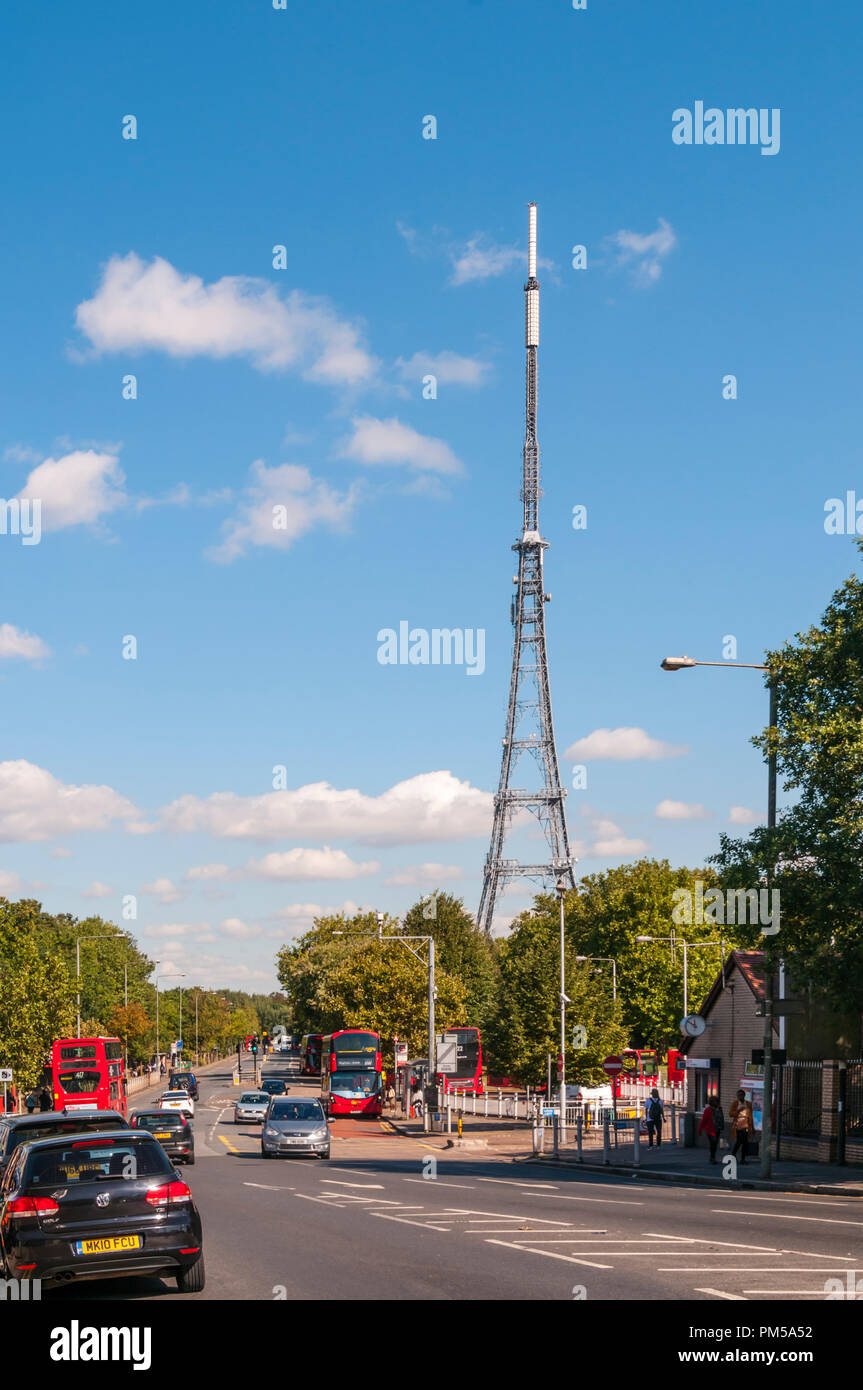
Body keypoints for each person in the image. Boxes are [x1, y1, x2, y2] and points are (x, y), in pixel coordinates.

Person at [730, 1089, 754, 1165]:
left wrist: (753, 1127)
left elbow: (751, 1116)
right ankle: (733, 1155)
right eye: (738, 1095)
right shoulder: (735, 1103)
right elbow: (730, 1114)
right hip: (738, 1126)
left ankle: (743, 1159)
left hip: (746, 1125)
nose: (739, 1097)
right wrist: (738, 1111)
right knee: (739, 1141)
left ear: (744, 1095)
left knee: (745, 1143)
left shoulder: (748, 1104)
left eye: (741, 1095)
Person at [698, 1097, 724, 1163]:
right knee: (713, 1142)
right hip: (710, 1129)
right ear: (712, 1102)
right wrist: (700, 1129)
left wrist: (722, 1126)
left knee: (715, 1144)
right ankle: (712, 1158)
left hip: (717, 1128)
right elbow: (704, 1120)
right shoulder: (708, 1110)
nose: (717, 1103)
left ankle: (713, 1157)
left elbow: (721, 1118)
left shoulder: (719, 1109)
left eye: (717, 1101)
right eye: (716, 1101)